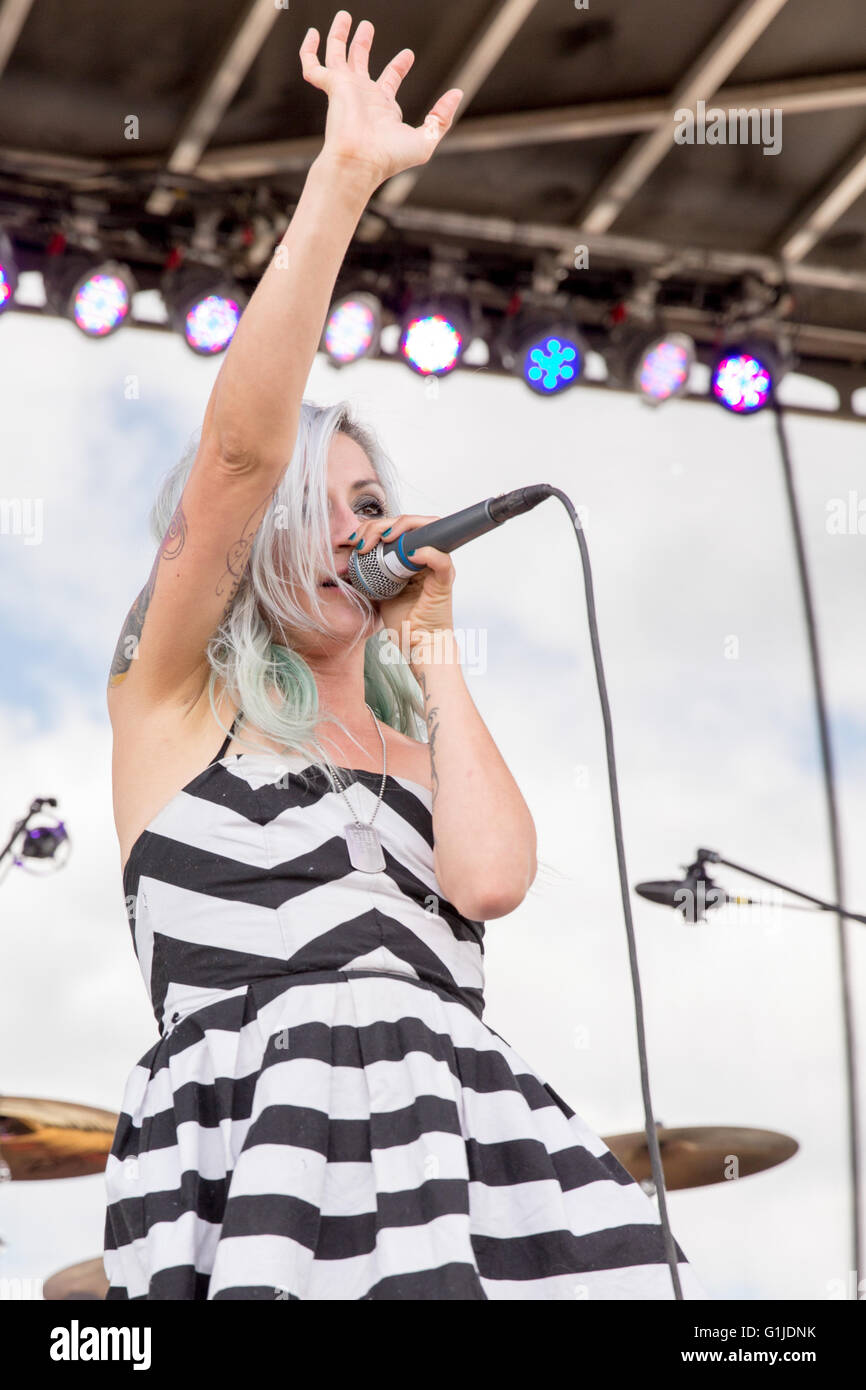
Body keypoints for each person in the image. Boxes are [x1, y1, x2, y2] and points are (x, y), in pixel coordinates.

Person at [103, 10, 706, 1300]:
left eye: (371, 500)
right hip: (260, 1139)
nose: (359, 526)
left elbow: (490, 886)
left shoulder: (413, 742)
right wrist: (343, 183)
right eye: (320, 503)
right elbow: (240, 455)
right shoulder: (172, 699)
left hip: (456, 1123)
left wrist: (433, 652)